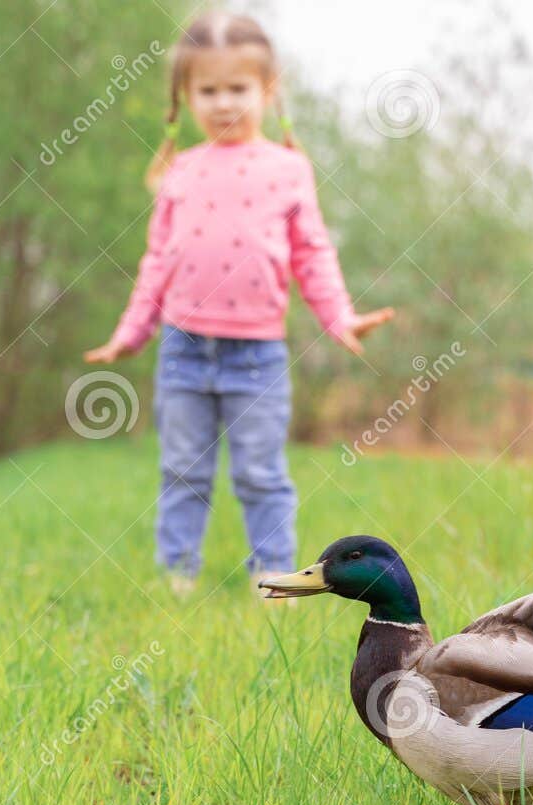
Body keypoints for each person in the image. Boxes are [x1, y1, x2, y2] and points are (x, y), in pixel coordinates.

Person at [84, 10, 393, 597]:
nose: (223, 102)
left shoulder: (288, 169)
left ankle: (272, 580)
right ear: (184, 96)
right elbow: (157, 261)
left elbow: (313, 253)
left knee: (259, 473)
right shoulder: (181, 171)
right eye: (208, 89)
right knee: (182, 471)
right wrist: (132, 332)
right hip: (183, 348)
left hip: (257, 355)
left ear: (267, 89)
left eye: (237, 88)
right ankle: (177, 576)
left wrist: (339, 317)